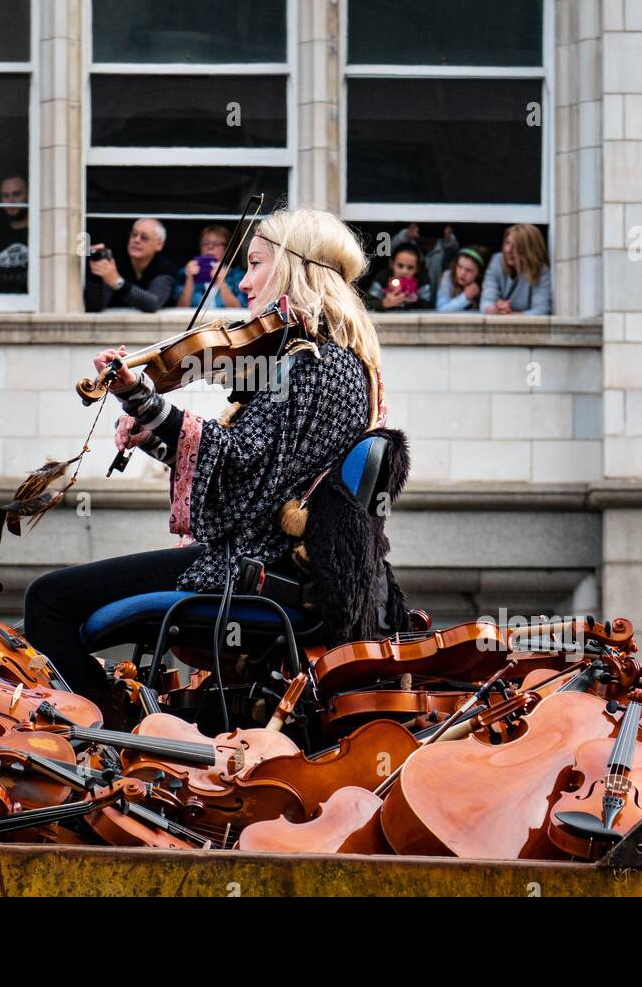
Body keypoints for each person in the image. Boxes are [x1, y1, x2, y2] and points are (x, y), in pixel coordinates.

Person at [24, 208, 405, 709]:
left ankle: (102, 729)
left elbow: (242, 466)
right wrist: (156, 434)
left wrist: (146, 400)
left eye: (256, 264)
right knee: (54, 599)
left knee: (48, 600)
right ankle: (112, 716)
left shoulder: (315, 365)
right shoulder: (315, 359)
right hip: (256, 554)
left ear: (295, 267)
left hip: (253, 562)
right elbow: (252, 471)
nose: (244, 284)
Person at [83, 217, 176, 312]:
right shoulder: (117, 261)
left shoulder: (165, 267)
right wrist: (96, 272)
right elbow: (94, 307)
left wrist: (117, 282)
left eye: (144, 237)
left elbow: (153, 303)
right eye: (134, 234)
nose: (136, 240)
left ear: (159, 245)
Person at [482, 223, 552, 316]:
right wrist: (495, 309)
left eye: (516, 246)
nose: (508, 250)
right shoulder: (497, 261)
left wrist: (509, 315)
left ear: (529, 249)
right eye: (507, 243)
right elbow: (486, 301)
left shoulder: (541, 271)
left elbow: (541, 310)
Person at [175, 224, 246, 309]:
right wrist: (189, 279)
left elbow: (239, 310)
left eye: (216, 244)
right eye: (205, 243)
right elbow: (180, 308)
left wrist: (222, 283)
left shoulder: (238, 275)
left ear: (228, 249)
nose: (210, 247)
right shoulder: (185, 272)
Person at [366, 243, 431, 311]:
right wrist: (383, 304)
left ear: (417, 268)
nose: (404, 271)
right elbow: (368, 303)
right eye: (400, 266)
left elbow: (426, 306)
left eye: (410, 267)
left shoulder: (422, 279)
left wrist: (411, 302)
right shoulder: (383, 277)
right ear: (391, 264)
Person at [0, 175, 30, 292]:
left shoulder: (40, 234)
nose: (11, 201)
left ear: (28, 196)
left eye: (17, 194)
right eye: (5, 196)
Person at [435, 245, 490, 312]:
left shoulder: (486, 283)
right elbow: (441, 310)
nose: (462, 273)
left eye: (468, 270)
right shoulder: (448, 276)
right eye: (459, 267)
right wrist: (465, 297)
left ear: (479, 273)